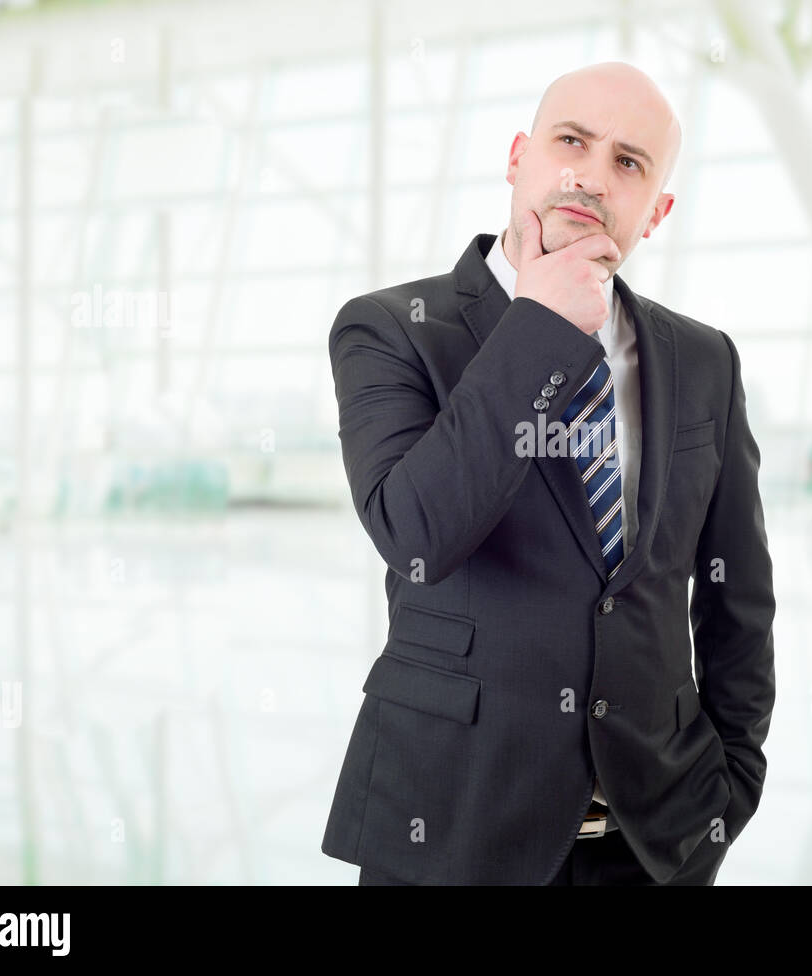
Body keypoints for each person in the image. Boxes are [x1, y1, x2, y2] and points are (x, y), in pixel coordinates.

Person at [321, 61, 775, 885]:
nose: (593, 177)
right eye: (573, 141)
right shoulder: (391, 330)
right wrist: (539, 325)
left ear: (658, 209)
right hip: (451, 830)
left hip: (651, 843)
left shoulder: (705, 360)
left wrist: (729, 789)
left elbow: (737, 600)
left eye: (629, 164)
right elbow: (417, 533)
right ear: (519, 155)